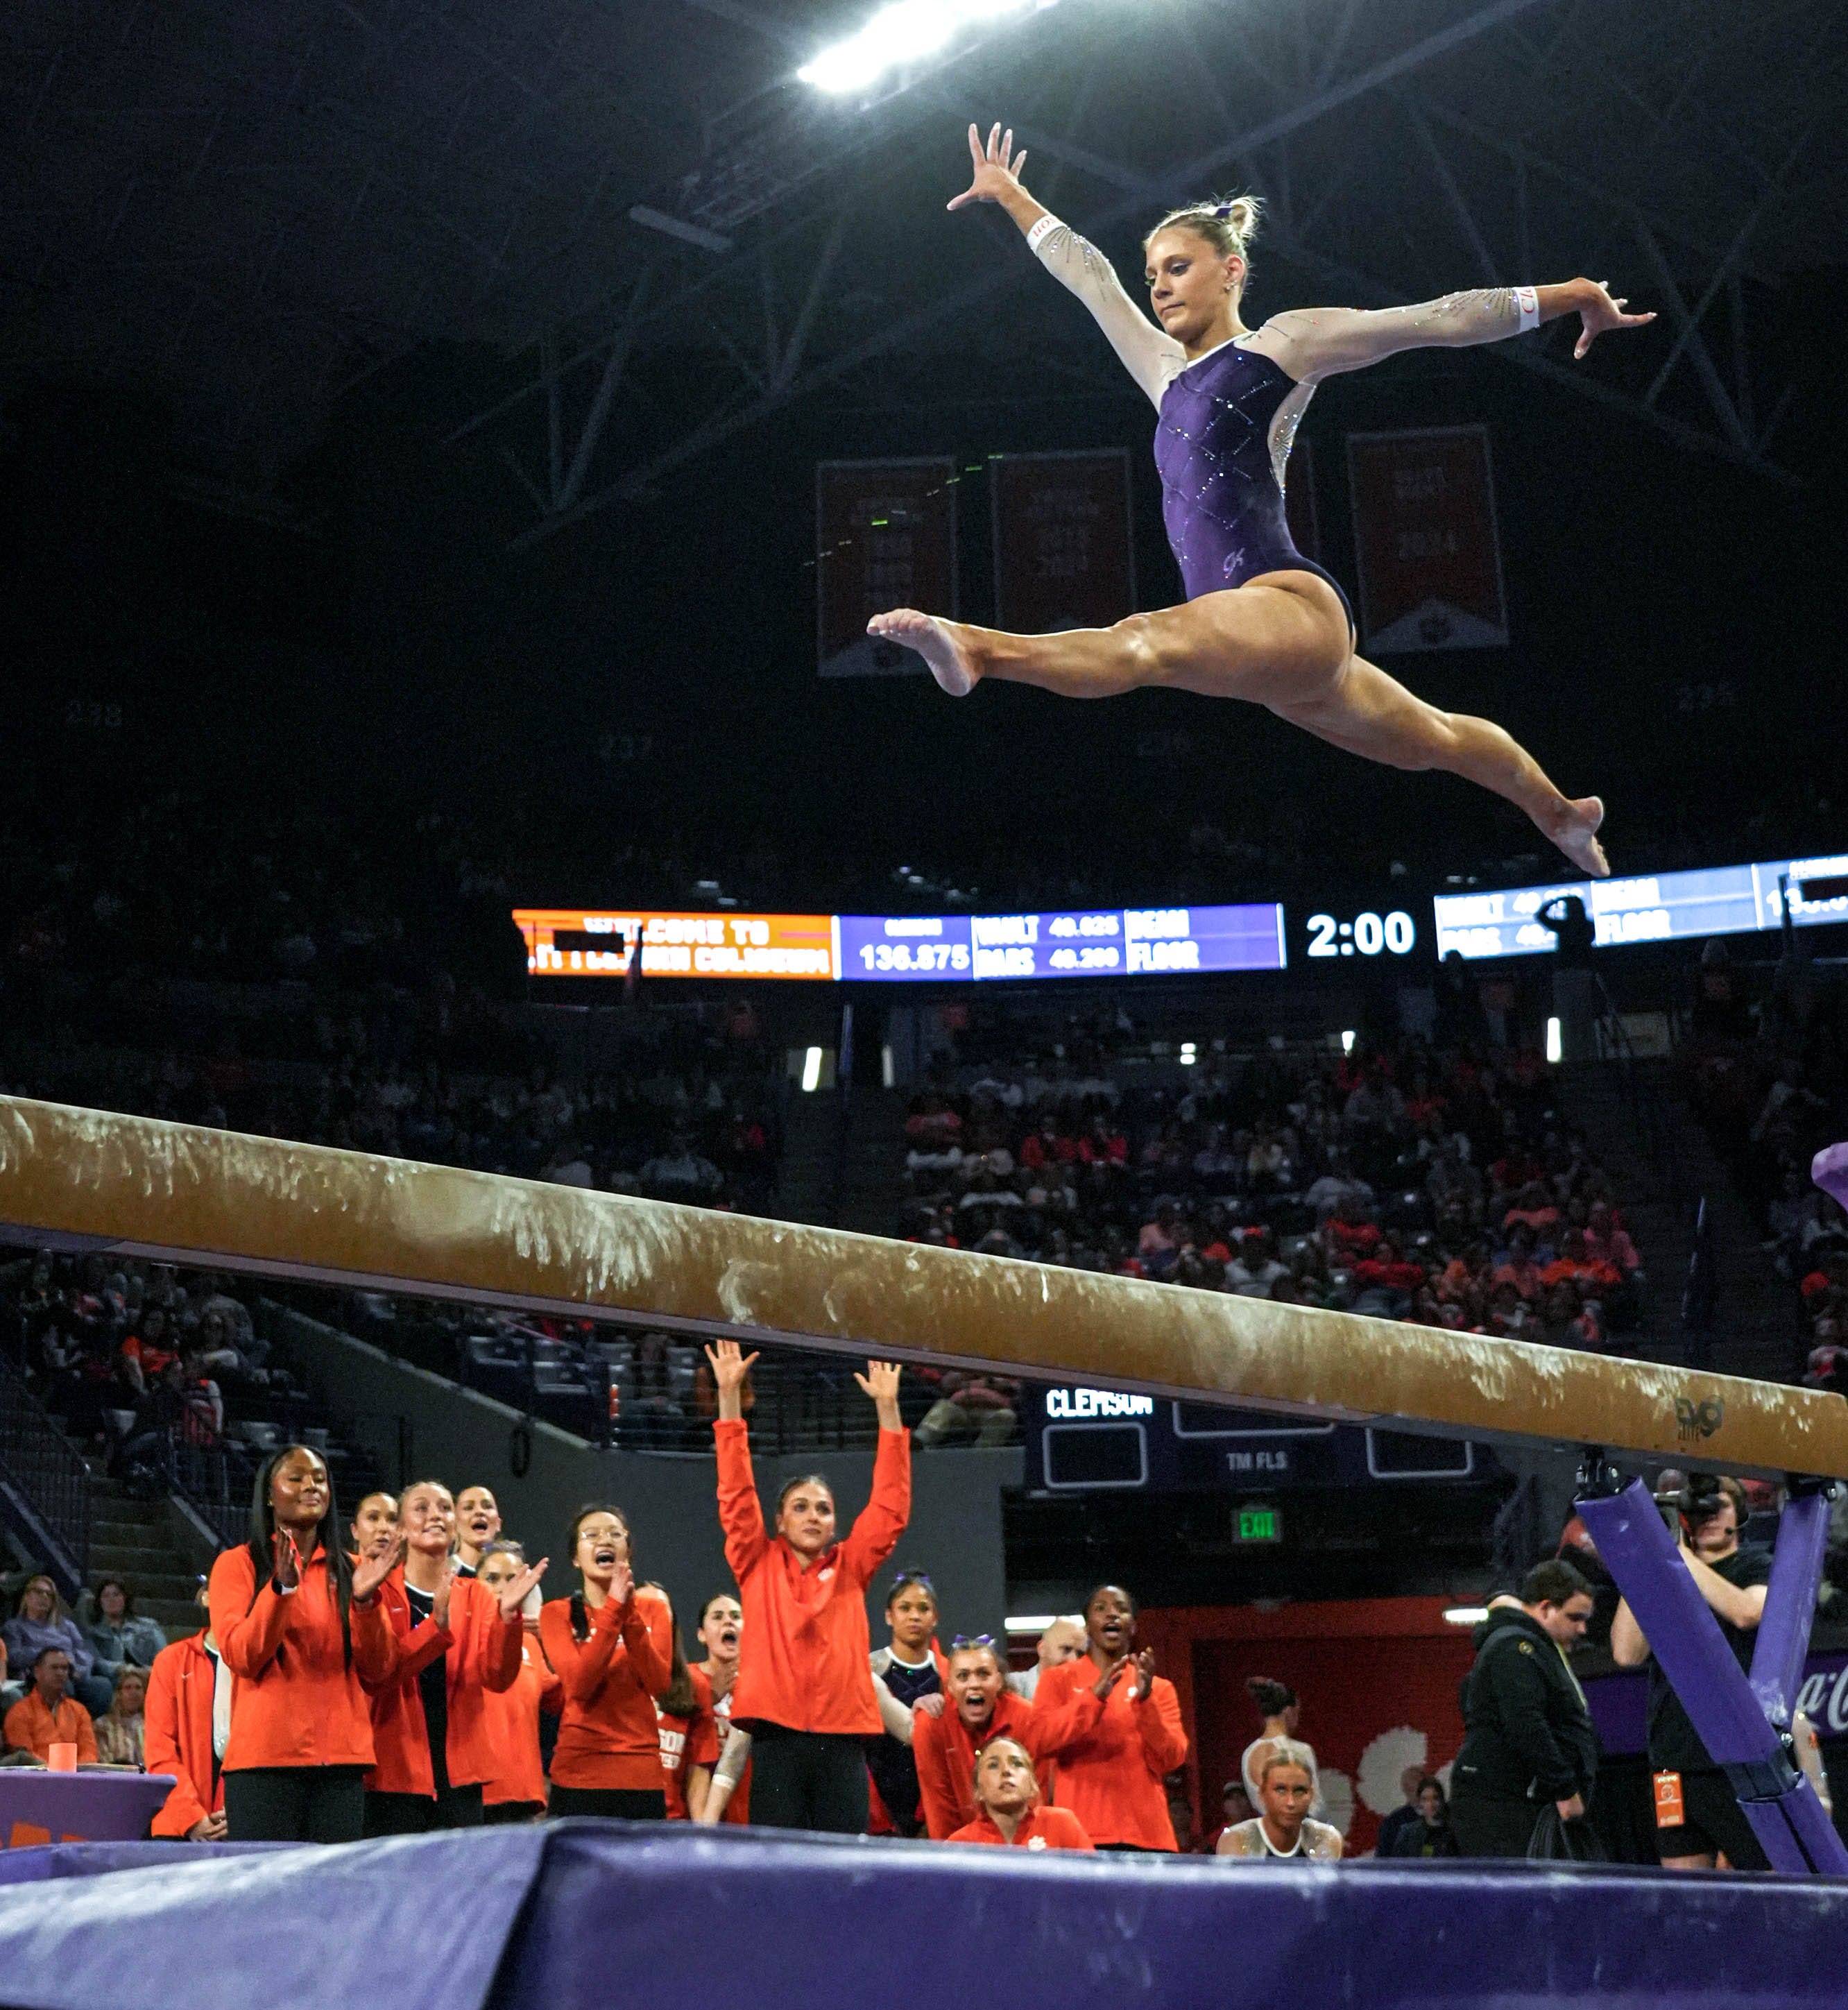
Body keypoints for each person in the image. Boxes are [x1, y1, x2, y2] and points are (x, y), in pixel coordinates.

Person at [867, 125, 1657, 878]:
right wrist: (1010, 194)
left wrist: (1575, 292)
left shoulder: (1281, 345)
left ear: (1231, 270)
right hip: (1269, 659)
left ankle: (978, 648)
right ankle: (1559, 812)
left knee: (1144, 641)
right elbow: (1088, 274)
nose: (1159, 286)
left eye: (1177, 267)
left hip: (1283, 602)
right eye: (1155, 274)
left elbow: (1437, 321)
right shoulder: (1162, 371)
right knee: (1436, 740)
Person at [707, 1337, 910, 1833]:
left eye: (823, 1507)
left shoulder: (852, 1565)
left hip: (843, 1743)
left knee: (842, 1878)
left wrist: (888, 1409)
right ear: (778, 1519)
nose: (813, 1515)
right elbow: (735, 1490)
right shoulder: (756, 1560)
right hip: (776, 1742)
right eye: (800, 1506)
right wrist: (729, 1398)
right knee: (779, 1876)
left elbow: (889, 1508)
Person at [206, 1442, 405, 1843]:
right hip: (264, 1763)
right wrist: (280, 1589)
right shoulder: (238, 1564)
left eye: (319, 1479)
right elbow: (242, 1655)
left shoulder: (353, 1570)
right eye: (295, 1478)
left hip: (341, 1765)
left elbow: (378, 1670)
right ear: (268, 1493)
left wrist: (365, 1602)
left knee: (332, 1899)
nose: (311, 1486)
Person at [361, 1479, 542, 1836]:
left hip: (460, 1774)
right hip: (393, 1772)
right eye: (422, 1508)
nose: (436, 1516)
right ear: (400, 1527)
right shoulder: (378, 1589)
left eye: (444, 1507)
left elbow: (498, 1677)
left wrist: (508, 1620)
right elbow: (377, 1673)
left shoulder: (476, 1593)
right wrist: (435, 1627)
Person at [1609, 1475, 1770, 1870]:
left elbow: (1747, 1612)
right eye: (1699, 1511)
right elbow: (1626, 1653)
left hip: (1739, 1754)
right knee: (1687, 1896)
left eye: (1720, 1508)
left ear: (1740, 1514)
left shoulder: (1756, 1563)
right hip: (1675, 1753)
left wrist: (1679, 1558)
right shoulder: (1665, 1569)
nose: (1710, 1518)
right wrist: (1647, 1559)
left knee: (1762, 1885)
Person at [1448, 1560, 1598, 1858]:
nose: (1583, 1629)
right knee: (1519, 1898)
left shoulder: (1529, 1646)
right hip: (1506, 1804)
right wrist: (1565, 1790)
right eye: (1575, 1617)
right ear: (1545, 1608)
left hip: (1517, 1798)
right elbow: (1526, 1724)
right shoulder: (1514, 1647)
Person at [538, 1502, 674, 1819]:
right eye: (592, 1535)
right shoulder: (555, 1614)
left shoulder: (653, 1609)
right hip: (579, 1778)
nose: (605, 1540)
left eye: (616, 1534)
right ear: (575, 1558)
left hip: (641, 1778)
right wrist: (615, 1608)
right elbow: (580, 1685)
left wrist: (628, 1613)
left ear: (627, 1551)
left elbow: (660, 1683)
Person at [1029, 1583, 1187, 1850]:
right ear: (1088, 1626)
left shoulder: (1158, 1688)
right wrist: (1093, 1699)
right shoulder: (1057, 1680)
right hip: (1081, 1836)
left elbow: (1172, 1758)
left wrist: (1146, 1701)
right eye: (1101, 1609)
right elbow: (1041, 1740)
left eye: (1121, 1610)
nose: (1111, 1615)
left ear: (1134, 1626)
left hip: (1148, 1837)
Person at [911, 1635, 1079, 1840]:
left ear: (999, 1681)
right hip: (960, 1843)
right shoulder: (930, 1724)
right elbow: (939, 1809)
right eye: (963, 1676)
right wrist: (952, 1862)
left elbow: (1034, 1796)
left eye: (983, 1674)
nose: (974, 1684)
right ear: (950, 1686)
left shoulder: (1026, 1718)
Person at [476, 1540, 563, 1823]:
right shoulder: (459, 1636)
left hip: (524, 1794)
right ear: (474, 1586)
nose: (504, 1586)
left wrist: (555, 1642)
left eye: (513, 1579)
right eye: (492, 1578)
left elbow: (559, 1697)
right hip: (473, 1793)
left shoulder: (531, 1643)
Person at [866, 1569, 947, 1836]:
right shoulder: (870, 1668)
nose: (914, 1615)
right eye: (905, 1608)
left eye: (923, 1609)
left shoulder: (949, 1673)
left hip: (932, 1800)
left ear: (934, 1617)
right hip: (880, 1799)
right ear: (889, 1616)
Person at [144, 1583, 228, 1840]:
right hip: (178, 1829)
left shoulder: (267, 1665)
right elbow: (160, 1751)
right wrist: (191, 1817)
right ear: (205, 1597)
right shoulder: (171, 1661)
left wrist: (245, 1810)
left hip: (244, 1828)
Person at [947, 1735, 1094, 1851]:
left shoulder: (1062, 1824)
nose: (1006, 1771)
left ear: (1033, 1786)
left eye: (1017, 1763)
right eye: (993, 1765)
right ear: (978, 1791)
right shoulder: (960, 1844)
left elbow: (1094, 1887)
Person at [5, 1575, 112, 1719]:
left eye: (49, 1594)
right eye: (38, 1592)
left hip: (73, 1675)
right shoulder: (15, 1627)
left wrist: (79, 1670)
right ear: (27, 1596)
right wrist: (49, 1654)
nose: (44, 1597)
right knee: (60, 1681)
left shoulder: (66, 1625)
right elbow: (14, 1657)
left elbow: (83, 1652)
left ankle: (85, 1729)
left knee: (102, 1685)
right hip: (38, 1678)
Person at [653, 1596, 720, 1822]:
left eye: (662, 1610)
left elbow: (698, 1769)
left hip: (672, 1826)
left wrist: (703, 1835)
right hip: (619, 1825)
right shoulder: (614, 1679)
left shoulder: (693, 1685)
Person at [1218, 1743, 1343, 1860]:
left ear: (1311, 1794)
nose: (1291, 1803)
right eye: (1281, 1790)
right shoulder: (1236, 1841)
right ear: (1262, 1794)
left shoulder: (1327, 1840)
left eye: (1299, 1791)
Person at [690, 1592, 751, 1825]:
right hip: (695, 1817)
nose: (728, 1621)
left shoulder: (761, 1688)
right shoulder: (688, 1681)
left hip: (746, 1818)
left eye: (736, 1616)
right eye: (718, 1616)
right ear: (701, 1635)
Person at [3, 1644, 99, 1764]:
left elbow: (90, 1752)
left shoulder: (79, 1711)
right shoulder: (20, 1712)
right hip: (36, 1779)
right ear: (37, 1672)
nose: (60, 1673)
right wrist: (54, 1773)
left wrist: (73, 1774)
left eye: (64, 1668)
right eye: (54, 1668)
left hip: (76, 1778)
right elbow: (23, 1758)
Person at [1241, 1676, 1321, 1814]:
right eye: (1298, 1712)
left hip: (1266, 1833)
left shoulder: (1248, 1754)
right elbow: (1316, 1807)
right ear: (1289, 1711)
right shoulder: (1300, 1751)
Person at [79, 1577, 167, 1688]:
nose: (111, 1599)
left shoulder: (148, 1626)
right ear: (100, 1602)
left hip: (149, 1676)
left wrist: (151, 1671)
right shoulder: (94, 1632)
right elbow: (96, 1661)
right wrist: (125, 1669)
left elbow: (164, 1656)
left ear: (125, 1599)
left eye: (116, 1595)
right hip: (117, 1678)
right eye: (106, 1596)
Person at [1007, 1616, 1085, 1702]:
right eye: (1066, 1649)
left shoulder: (1085, 1697)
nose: (1074, 1660)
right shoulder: (1009, 1688)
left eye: (1080, 1654)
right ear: (1042, 1649)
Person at [1389, 1777, 1460, 1859]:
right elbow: (1397, 1865)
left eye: (1435, 1798)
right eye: (1425, 1799)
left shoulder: (1454, 1832)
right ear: (1420, 1803)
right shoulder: (1407, 1833)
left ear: (1442, 1800)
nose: (1431, 1804)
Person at [1371, 1764, 1430, 1858]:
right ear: (1404, 1789)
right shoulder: (1393, 1822)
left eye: (1417, 1783)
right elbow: (1383, 1861)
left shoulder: (1446, 1816)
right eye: (1409, 1788)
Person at [93, 1664, 147, 1766]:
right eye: (128, 1688)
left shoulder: (154, 1726)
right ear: (119, 1694)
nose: (133, 1692)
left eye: (138, 1688)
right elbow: (103, 1761)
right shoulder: (102, 1725)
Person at [454, 1485, 502, 1577]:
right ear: (455, 1525)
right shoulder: (440, 1572)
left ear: (498, 1524)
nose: (479, 1511)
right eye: (468, 1508)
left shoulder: (519, 1576)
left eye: (488, 1506)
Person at [350, 1490, 400, 1562]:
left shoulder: (413, 1571)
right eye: (373, 1518)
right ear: (355, 1531)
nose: (383, 1528)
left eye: (393, 1520)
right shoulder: (336, 1567)